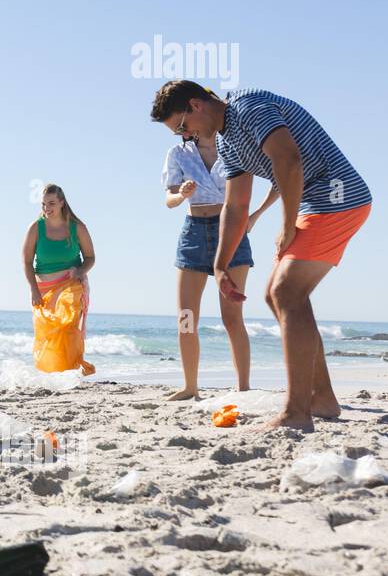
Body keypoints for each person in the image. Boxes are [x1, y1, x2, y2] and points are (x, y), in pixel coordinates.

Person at [151, 82, 372, 431]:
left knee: (286, 292)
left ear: (195, 105)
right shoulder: (226, 140)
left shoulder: (247, 106)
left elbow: (289, 159)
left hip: (337, 196)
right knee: (278, 294)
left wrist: (286, 224)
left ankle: (296, 413)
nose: (185, 135)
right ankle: (323, 398)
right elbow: (236, 205)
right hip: (315, 202)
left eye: (182, 126)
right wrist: (220, 264)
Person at [161, 132, 279, 400]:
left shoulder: (235, 146)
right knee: (186, 318)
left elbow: (278, 176)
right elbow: (169, 200)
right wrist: (180, 195)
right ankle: (190, 387)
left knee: (232, 317)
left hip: (231, 231)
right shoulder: (178, 153)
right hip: (193, 233)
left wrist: (256, 215)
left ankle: (243, 388)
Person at [22, 184, 96, 375]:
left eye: (52, 203)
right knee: (48, 333)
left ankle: (69, 371)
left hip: (71, 285)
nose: (47, 208)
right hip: (43, 288)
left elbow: (90, 257)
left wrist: (79, 271)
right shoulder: (35, 228)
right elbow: (27, 261)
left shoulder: (77, 228)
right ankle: (50, 372)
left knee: (68, 327)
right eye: (44, 204)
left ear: (62, 203)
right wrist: (34, 290)